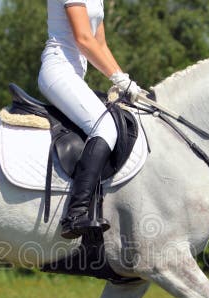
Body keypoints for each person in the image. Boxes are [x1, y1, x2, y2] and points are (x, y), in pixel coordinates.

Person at [38, 0, 142, 239]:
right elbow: (84, 39)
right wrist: (118, 78)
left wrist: (125, 80)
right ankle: (75, 213)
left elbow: (100, 44)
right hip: (58, 70)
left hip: (75, 75)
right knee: (105, 127)